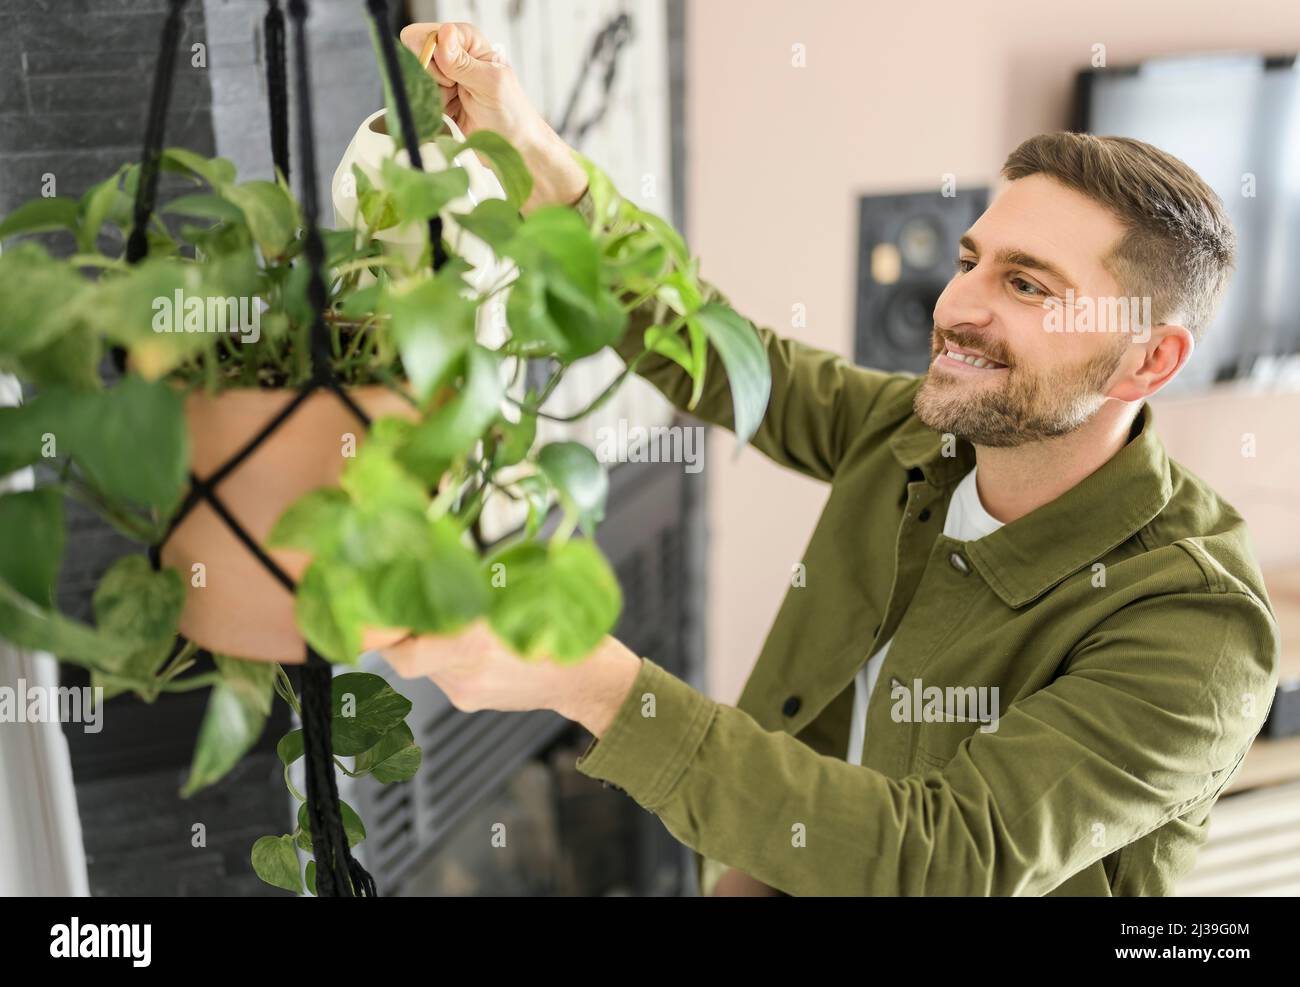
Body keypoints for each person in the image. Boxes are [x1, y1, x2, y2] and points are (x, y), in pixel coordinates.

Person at [380, 21, 1280, 897]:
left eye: (1027, 285)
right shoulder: (923, 436)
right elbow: (728, 360)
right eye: (973, 260)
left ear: (1149, 360)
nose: (958, 304)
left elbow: (943, 862)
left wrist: (595, 683)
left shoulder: (1200, 633)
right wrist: (529, 144)